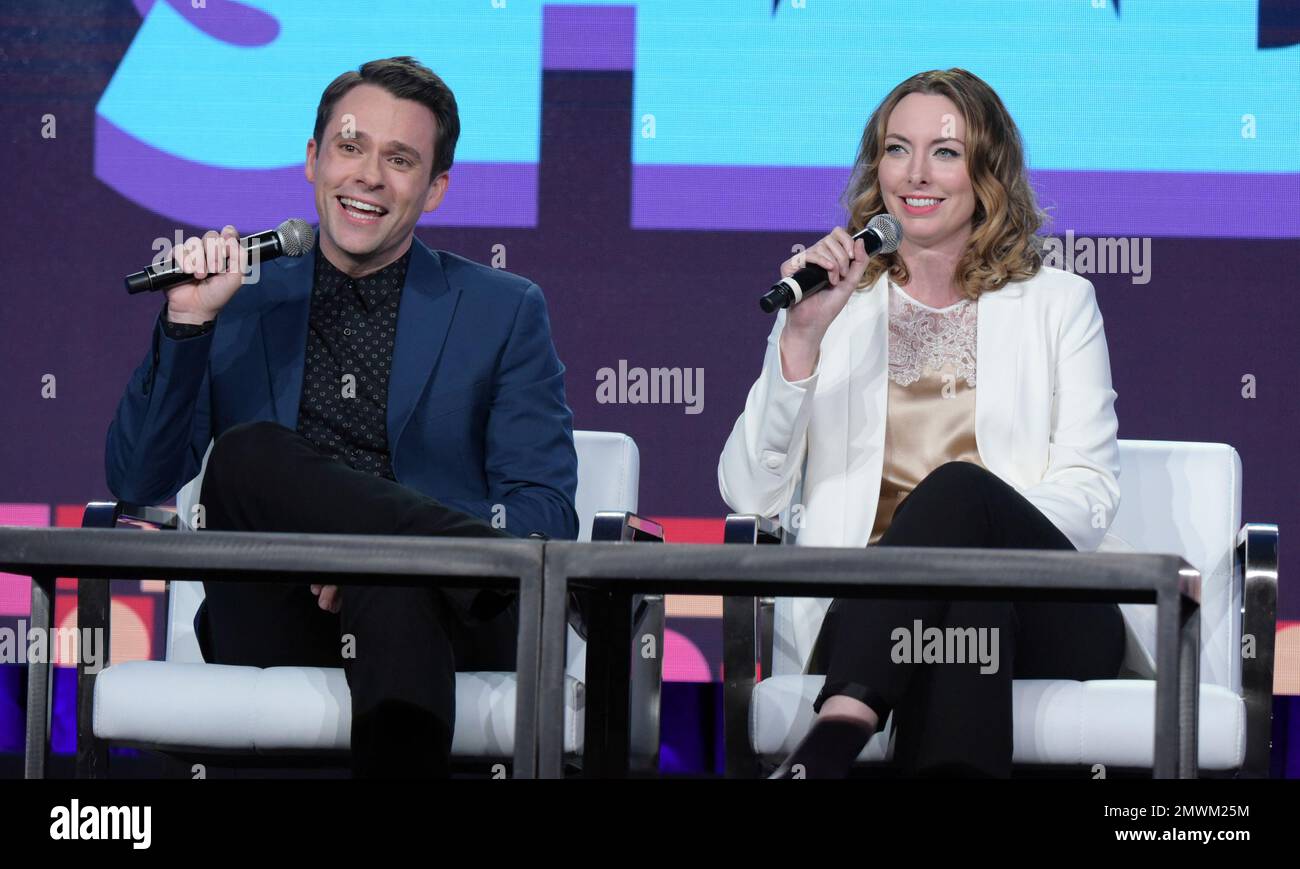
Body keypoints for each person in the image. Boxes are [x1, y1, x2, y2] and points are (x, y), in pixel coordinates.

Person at [105, 56, 578, 778]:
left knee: (391, 585)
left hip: (451, 614)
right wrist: (188, 323)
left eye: (400, 159)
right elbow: (139, 480)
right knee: (245, 456)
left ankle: (402, 563)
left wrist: (375, 562)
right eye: (350, 148)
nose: (368, 176)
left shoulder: (503, 310)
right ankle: (410, 557)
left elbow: (544, 511)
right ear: (313, 160)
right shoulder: (238, 299)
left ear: (436, 188)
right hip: (278, 605)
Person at [717, 68, 1126, 778]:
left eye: (944, 151)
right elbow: (751, 493)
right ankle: (851, 720)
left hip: (1050, 609)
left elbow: (1089, 492)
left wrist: (973, 526)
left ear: (987, 170)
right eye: (896, 149)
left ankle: (839, 724)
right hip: (870, 613)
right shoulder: (833, 307)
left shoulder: (1060, 304)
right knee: (968, 618)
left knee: (960, 496)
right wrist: (800, 342)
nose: (916, 172)